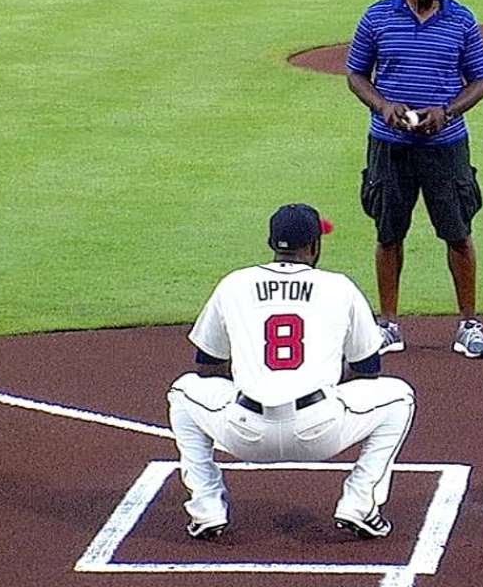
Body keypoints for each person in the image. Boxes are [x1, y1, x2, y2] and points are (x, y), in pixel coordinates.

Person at [166, 203, 416, 541]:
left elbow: (206, 366)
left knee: (183, 392)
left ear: (271, 242)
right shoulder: (339, 287)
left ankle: (206, 507)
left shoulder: (235, 284)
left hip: (245, 433)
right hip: (321, 432)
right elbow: (368, 369)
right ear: (314, 246)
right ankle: (360, 503)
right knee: (399, 397)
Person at [346, 0, 483, 359]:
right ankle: (389, 324)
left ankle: (469, 323)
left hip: (445, 145)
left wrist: (446, 112)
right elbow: (356, 74)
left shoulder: (461, 20)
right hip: (390, 144)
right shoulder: (378, 16)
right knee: (389, 232)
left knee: (458, 233)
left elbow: (481, 79)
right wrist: (383, 105)